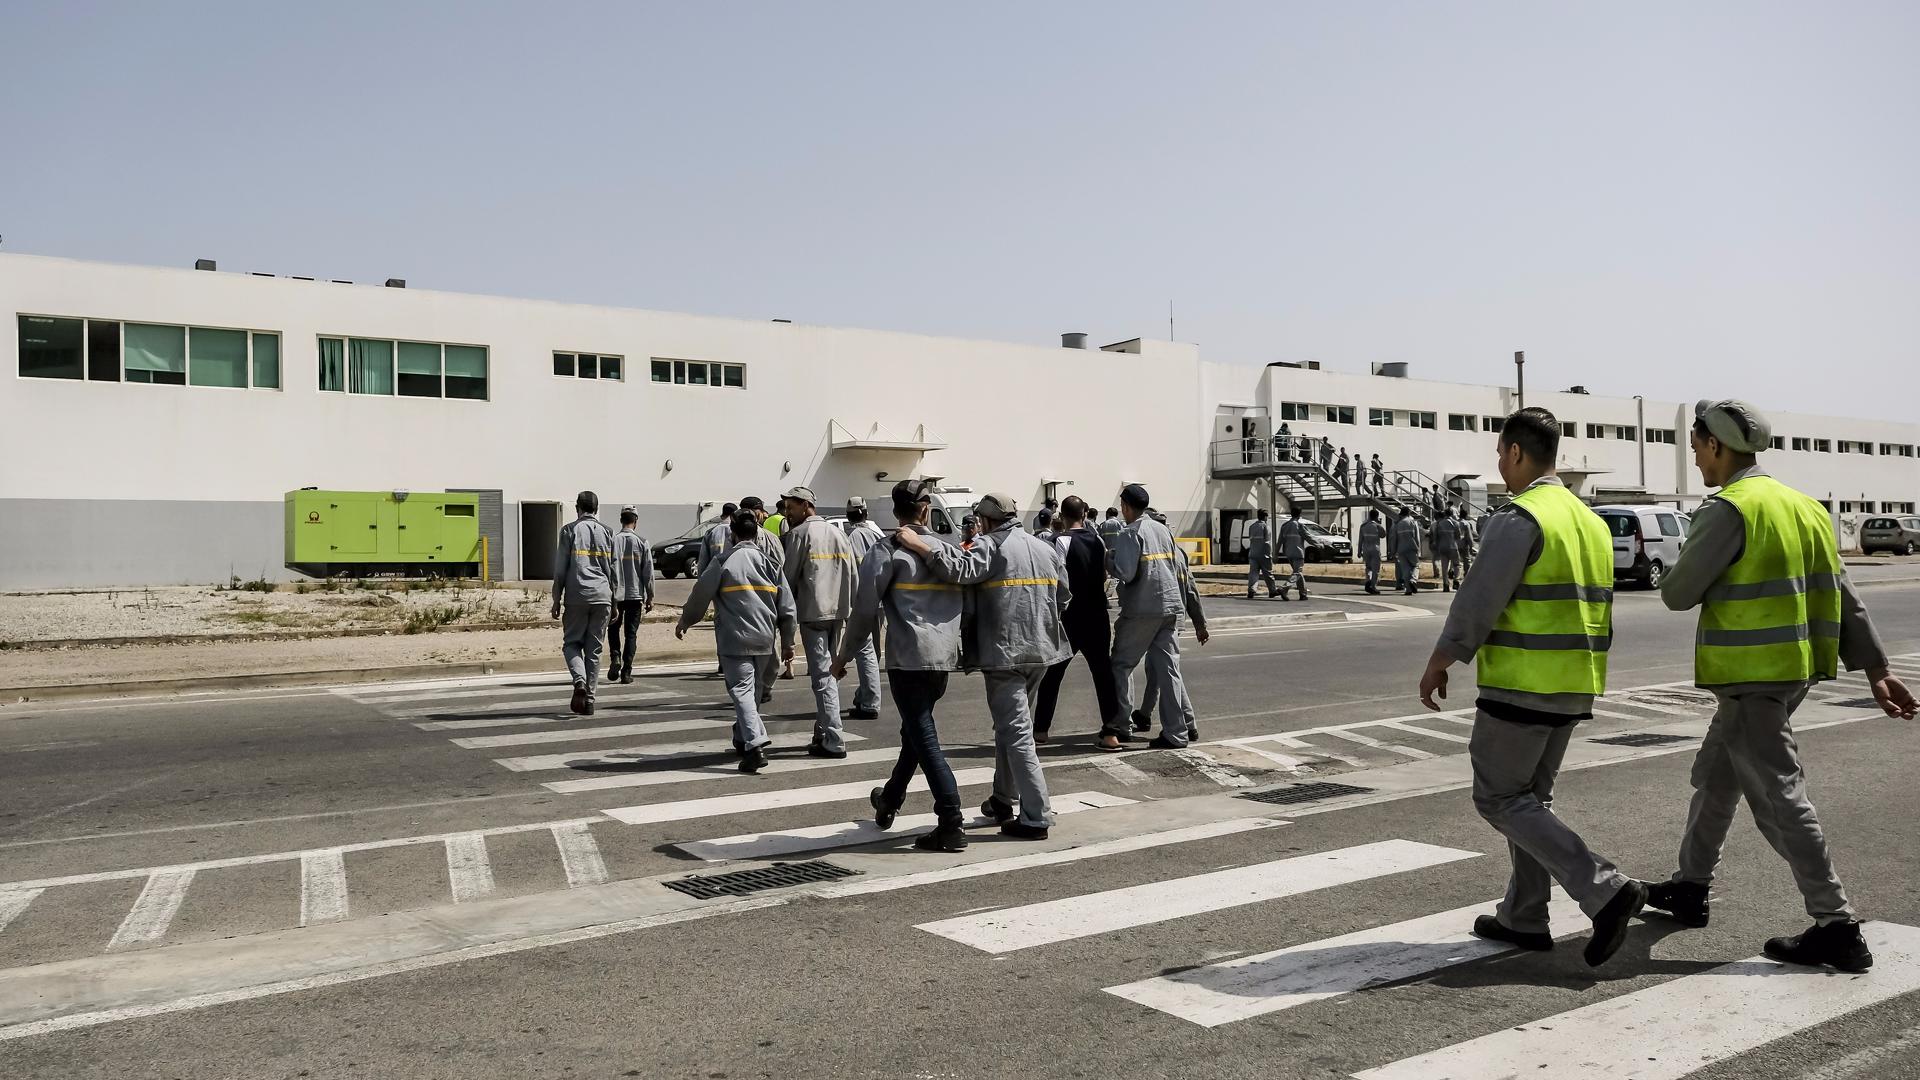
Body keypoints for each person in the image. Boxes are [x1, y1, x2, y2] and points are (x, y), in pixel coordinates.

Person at [1642, 400, 1916, 972]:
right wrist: (1877, 668)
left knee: (1779, 799)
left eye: (1696, 448)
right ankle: (1690, 885)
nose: (1696, 460)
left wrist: (1688, 557)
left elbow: (1676, 592)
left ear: (1715, 445)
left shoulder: (1729, 509)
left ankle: (1836, 924)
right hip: (1790, 673)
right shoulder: (1805, 507)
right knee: (1717, 778)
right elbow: (1844, 596)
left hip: (1750, 677)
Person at [1417, 406, 1646, 968]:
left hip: (1522, 684)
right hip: (1574, 683)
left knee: (1498, 798)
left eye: (1500, 453)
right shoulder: (1590, 521)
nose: (1500, 462)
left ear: (1516, 452)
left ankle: (1605, 889)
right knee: (1529, 799)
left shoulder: (1519, 518)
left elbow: (1478, 600)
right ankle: (1524, 916)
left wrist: (1442, 659)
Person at [896, 492, 1067, 838]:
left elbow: (957, 570)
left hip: (1005, 653)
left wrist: (919, 545)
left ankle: (1036, 817)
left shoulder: (990, 546)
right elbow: (1063, 595)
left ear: (986, 521)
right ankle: (1003, 799)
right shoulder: (1045, 548)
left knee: (1017, 733)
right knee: (1011, 728)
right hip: (1042, 650)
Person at [833, 480, 969, 852]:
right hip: (943, 659)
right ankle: (890, 799)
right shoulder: (947, 551)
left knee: (924, 737)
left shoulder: (886, 551)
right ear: (926, 509)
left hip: (909, 659)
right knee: (914, 733)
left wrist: (843, 656)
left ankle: (951, 820)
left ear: (895, 512)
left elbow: (864, 611)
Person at [675, 510, 796, 774]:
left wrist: (686, 620)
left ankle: (755, 746)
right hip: (765, 638)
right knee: (752, 693)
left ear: (732, 534)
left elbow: (700, 594)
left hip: (735, 638)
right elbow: (787, 607)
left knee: (741, 691)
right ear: (757, 534)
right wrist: (788, 641)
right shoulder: (771, 563)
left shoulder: (723, 560)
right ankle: (743, 737)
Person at [1107, 484, 1193, 750]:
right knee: (1168, 671)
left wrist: (1109, 559)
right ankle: (1177, 732)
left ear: (1125, 506)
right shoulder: (1162, 530)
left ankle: (1122, 725)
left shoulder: (1130, 533)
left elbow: (1126, 572)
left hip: (1143, 609)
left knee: (1121, 665)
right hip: (1171, 607)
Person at [1035, 496, 1123, 745]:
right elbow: (1104, 574)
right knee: (1103, 673)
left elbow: (1057, 578)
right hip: (1097, 614)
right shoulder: (1097, 539)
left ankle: (1040, 730)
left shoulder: (1059, 541)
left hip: (1070, 615)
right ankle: (1111, 732)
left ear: (1061, 516)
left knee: (1053, 673)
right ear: (1084, 515)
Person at [780, 485, 856, 758]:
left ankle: (834, 739)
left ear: (805, 505)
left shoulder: (799, 534)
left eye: (791, 508)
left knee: (822, 678)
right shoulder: (838, 533)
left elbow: (787, 579)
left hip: (813, 613)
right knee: (830, 673)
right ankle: (822, 733)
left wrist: (783, 616)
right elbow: (853, 574)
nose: (787, 513)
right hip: (838, 613)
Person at [551, 490, 619, 716]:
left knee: (571, 643)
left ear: (577, 508)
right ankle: (589, 701)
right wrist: (615, 602)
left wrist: (556, 599)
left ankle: (579, 681)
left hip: (577, 595)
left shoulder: (568, 530)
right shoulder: (608, 532)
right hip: (602, 596)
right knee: (594, 650)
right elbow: (614, 572)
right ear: (596, 509)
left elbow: (560, 570)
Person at [840, 497, 886, 721]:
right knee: (873, 652)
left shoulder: (851, 538)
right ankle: (864, 695)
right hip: (882, 601)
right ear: (866, 513)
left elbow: (850, 574)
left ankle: (869, 701)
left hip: (862, 602)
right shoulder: (877, 535)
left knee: (864, 652)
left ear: (848, 516)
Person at [607, 507, 655, 684]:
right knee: (631, 634)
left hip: (616, 595)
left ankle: (615, 657)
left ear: (621, 520)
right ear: (635, 521)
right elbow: (648, 572)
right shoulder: (642, 542)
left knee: (613, 628)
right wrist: (650, 596)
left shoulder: (613, 541)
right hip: (635, 595)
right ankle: (626, 672)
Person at [1276, 505, 1309, 601]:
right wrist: (1319, 544)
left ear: (1291, 514)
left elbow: (1279, 541)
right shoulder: (1300, 525)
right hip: (1298, 553)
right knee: (1297, 573)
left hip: (1289, 553)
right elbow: (1308, 537)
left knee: (1298, 573)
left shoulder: (1285, 526)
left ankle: (1303, 594)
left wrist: (1275, 554)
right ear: (1300, 515)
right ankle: (1284, 588)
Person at [1245, 508, 1279, 600]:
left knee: (1253, 573)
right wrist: (1270, 555)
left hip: (1253, 553)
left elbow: (1251, 539)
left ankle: (1251, 590)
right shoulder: (1266, 527)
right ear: (1265, 517)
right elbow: (1267, 542)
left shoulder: (1252, 527)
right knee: (1268, 573)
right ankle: (1272, 591)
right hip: (1263, 554)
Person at [697, 502, 738, 576]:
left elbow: (703, 559)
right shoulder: (738, 531)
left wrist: (701, 577)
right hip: (733, 574)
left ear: (722, 516)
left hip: (715, 574)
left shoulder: (711, 532)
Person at [1431, 506, 1463, 593]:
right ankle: (1456, 580)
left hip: (1442, 547)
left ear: (1445, 514)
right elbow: (1458, 536)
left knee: (1444, 567)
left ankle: (1446, 584)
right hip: (1453, 546)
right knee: (1456, 564)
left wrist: (1436, 545)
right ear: (1452, 514)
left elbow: (1435, 536)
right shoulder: (1455, 523)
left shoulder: (1439, 524)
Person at [1392, 507, 1422, 595]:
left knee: (1405, 569)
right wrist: (1418, 549)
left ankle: (1408, 589)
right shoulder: (1413, 522)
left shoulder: (1397, 524)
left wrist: (1393, 550)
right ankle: (1413, 580)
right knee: (1416, 565)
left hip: (1401, 549)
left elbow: (1394, 539)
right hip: (1411, 547)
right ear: (1409, 513)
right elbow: (1417, 537)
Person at [1359, 509, 1386, 595]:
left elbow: (1360, 540)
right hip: (1375, 548)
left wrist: (1359, 551)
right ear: (1377, 517)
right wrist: (1380, 524)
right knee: (1375, 569)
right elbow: (1383, 535)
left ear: (1369, 516)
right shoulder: (1377, 526)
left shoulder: (1363, 526)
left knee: (1368, 567)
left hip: (1366, 549)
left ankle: (1368, 580)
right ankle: (1373, 586)